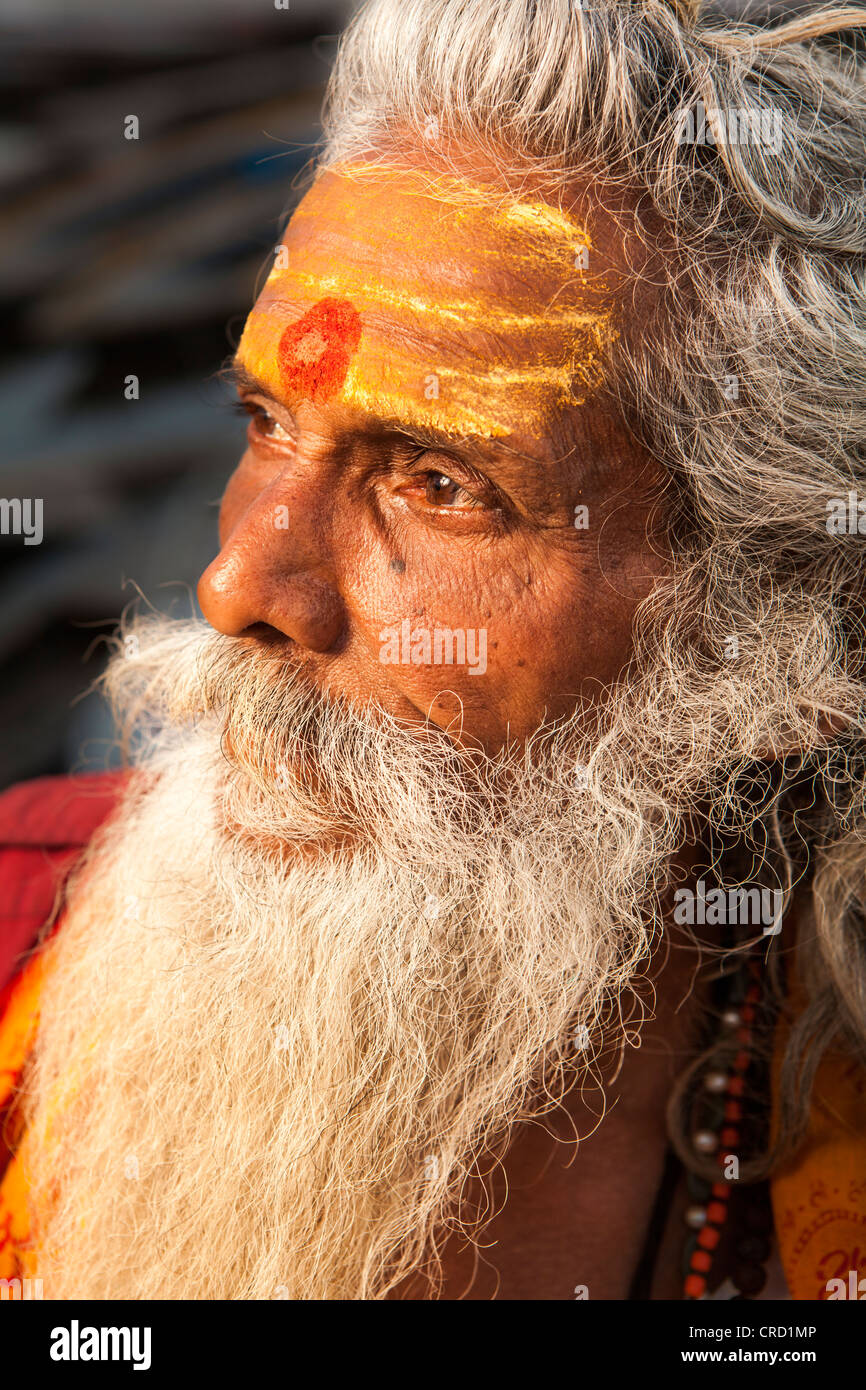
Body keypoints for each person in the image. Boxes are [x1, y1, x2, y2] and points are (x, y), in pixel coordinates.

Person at [1, 0, 865, 1301]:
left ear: (779, 640)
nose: (240, 581)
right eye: (265, 419)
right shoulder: (18, 933)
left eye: (436, 480)